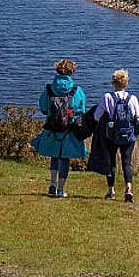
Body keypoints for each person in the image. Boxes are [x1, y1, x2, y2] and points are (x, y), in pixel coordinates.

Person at [30, 58, 87, 197]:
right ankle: (61, 190)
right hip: (69, 129)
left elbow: (43, 108)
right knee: (65, 159)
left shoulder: (49, 89)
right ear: (71, 71)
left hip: (52, 128)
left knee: (54, 156)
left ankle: (52, 183)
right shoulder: (77, 90)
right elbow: (81, 109)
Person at [93, 69, 139, 203]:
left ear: (113, 82)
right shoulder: (133, 98)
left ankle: (111, 190)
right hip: (128, 135)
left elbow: (97, 116)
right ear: (126, 83)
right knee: (126, 162)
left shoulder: (107, 97)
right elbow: (137, 117)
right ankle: (129, 189)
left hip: (112, 134)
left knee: (112, 162)